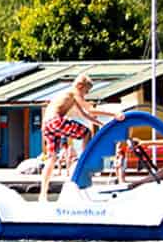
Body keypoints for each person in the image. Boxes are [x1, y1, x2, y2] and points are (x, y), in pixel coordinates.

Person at [37, 74, 111, 203]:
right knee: (86, 133)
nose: (85, 95)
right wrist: (114, 114)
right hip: (55, 121)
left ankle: (42, 195)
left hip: (47, 125)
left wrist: (101, 124)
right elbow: (90, 109)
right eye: (86, 92)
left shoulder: (68, 95)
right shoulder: (73, 92)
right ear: (80, 86)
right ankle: (84, 159)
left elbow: (85, 114)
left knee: (52, 158)